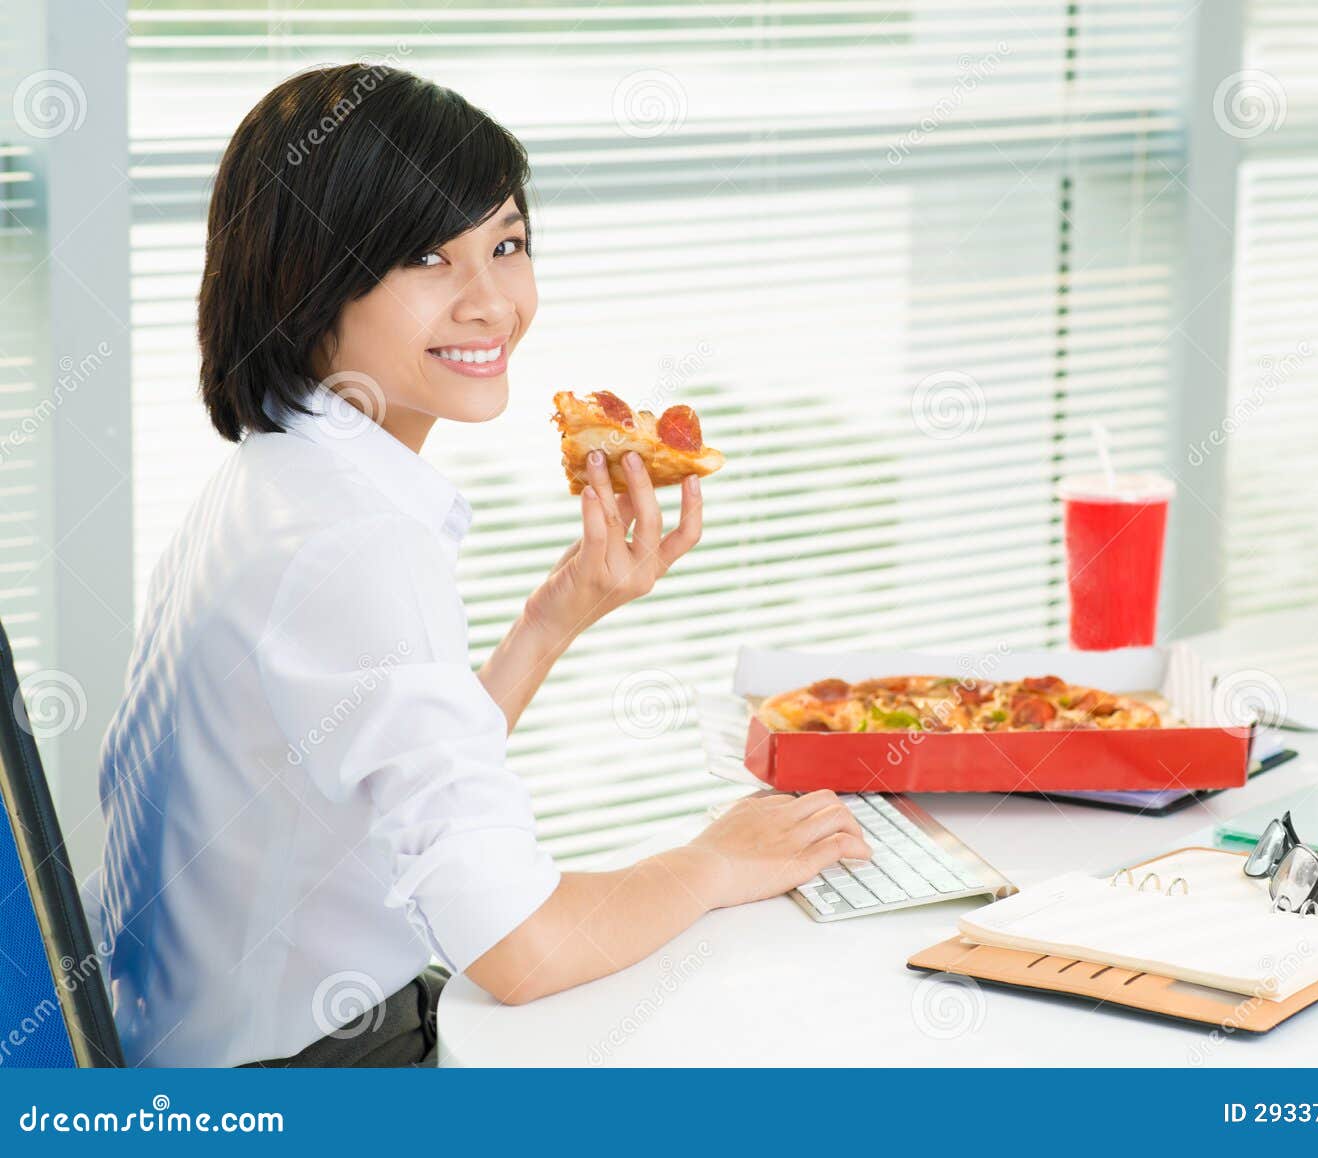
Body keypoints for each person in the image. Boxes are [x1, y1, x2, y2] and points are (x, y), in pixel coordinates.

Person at [89, 63, 869, 1068]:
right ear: (304, 279)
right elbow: (521, 950)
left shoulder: (274, 478)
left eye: (506, 245)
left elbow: (382, 771)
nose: (492, 304)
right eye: (427, 257)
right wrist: (715, 863)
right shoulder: (356, 541)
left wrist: (554, 617)